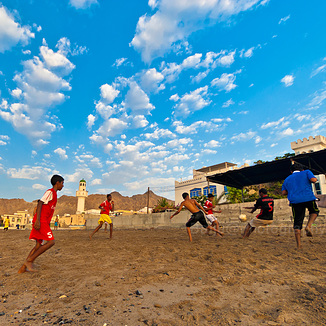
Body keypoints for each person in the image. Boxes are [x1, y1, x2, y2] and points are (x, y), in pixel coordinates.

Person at [18, 175, 64, 273]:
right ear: (57, 183)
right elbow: (40, 203)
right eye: (62, 183)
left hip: (44, 221)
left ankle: (22, 268)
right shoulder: (50, 192)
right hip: (41, 221)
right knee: (51, 242)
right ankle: (29, 261)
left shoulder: (55, 195)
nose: (63, 185)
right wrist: (38, 220)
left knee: (38, 245)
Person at [282, 162, 319, 249]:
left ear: (291, 171)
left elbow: (284, 192)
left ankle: (299, 245)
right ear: (302, 169)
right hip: (308, 197)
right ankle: (308, 226)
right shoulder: (306, 172)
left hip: (295, 201)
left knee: (297, 222)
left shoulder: (287, 179)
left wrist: (292, 189)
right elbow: (313, 180)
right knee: (314, 211)